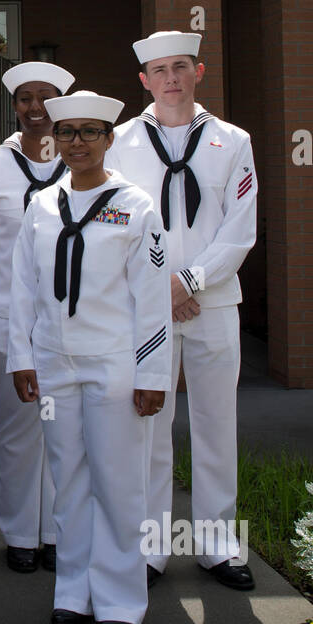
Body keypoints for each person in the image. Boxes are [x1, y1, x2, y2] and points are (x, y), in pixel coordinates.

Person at [8, 91, 171, 624]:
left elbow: (151, 297)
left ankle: (123, 598)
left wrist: (152, 374)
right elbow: (23, 288)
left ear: (109, 138)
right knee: (68, 479)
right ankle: (73, 591)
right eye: (68, 132)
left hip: (113, 363)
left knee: (118, 481)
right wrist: (22, 356)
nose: (76, 143)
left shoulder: (136, 204)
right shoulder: (42, 205)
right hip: (55, 364)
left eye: (89, 132)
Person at [108, 31, 258, 591]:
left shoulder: (233, 141)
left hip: (214, 302)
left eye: (180, 67)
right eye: (159, 70)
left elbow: (240, 229)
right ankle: (151, 549)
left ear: (199, 71)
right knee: (149, 425)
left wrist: (188, 280)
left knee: (217, 423)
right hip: (147, 308)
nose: (171, 78)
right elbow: (115, 227)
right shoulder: (120, 143)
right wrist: (159, 289)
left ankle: (218, 546)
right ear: (144, 80)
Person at [0, 61, 75, 574]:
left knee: (65, 427)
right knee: (18, 425)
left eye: (45, 97)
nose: (35, 108)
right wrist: (10, 299)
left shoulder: (83, 166)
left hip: (69, 321)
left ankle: (56, 532)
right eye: (25, 99)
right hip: (8, 317)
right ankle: (19, 536)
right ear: (15, 107)